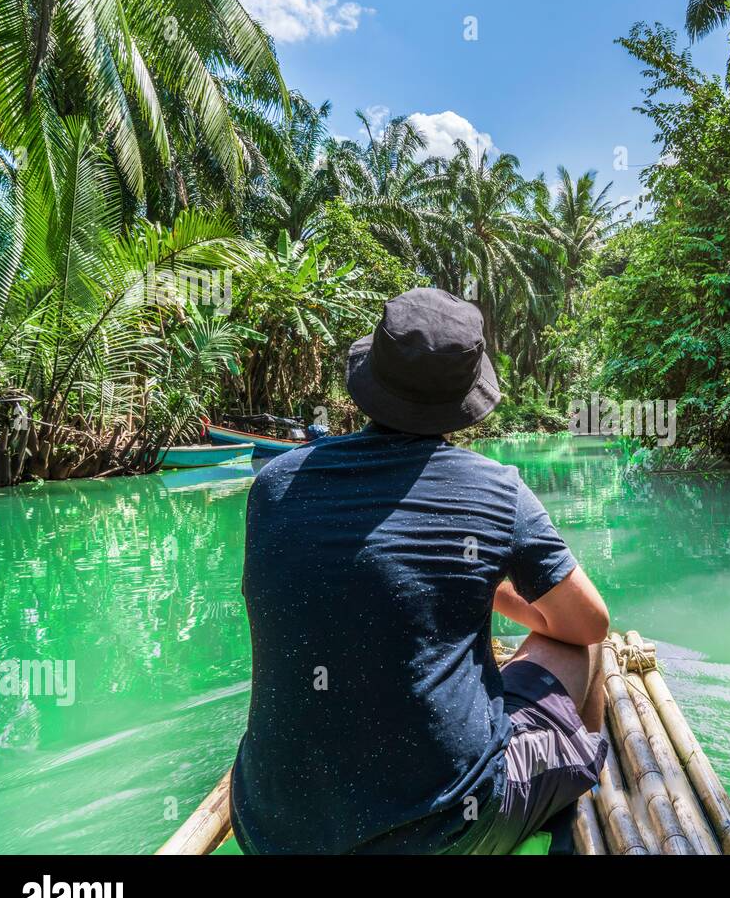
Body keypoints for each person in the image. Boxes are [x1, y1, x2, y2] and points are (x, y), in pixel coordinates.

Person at [229, 287, 609, 854]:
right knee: (583, 652)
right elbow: (589, 625)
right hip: (443, 832)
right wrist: (495, 589)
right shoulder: (498, 490)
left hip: (270, 828)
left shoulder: (273, 486)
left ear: (369, 380)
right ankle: (586, 785)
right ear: (465, 396)